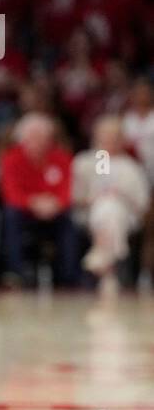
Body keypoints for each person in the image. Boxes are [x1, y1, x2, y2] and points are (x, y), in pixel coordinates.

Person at [0, 112, 81, 288]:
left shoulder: (61, 158)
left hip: (55, 212)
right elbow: (11, 193)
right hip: (25, 213)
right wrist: (33, 203)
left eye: (41, 138)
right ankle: (17, 274)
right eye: (32, 138)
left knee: (69, 222)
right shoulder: (11, 159)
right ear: (22, 139)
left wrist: (56, 204)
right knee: (10, 215)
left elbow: (68, 189)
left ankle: (69, 277)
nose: (37, 143)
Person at [72, 114, 150, 293]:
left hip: (125, 216)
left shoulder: (132, 167)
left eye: (114, 137)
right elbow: (75, 198)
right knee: (105, 205)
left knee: (110, 206)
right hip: (89, 213)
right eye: (104, 136)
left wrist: (119, 196)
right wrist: (97, 197)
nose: (109, 141)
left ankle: (101, 258)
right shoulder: (84, 162)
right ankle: (112, 267)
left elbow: (141, 205)